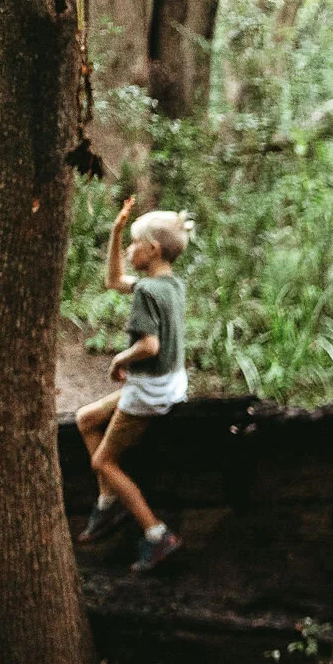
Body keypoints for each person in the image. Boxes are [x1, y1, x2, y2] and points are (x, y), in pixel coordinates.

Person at [75, 198, 193, 572]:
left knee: (103, 460)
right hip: (168, 383)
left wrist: (118, 360)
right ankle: (109, 502)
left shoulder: (147, 292)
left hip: (149, 392)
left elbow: (149, 345)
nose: (129, 249)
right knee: (85, 418)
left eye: (133, 243)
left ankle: (157, 534)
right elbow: (113, 280)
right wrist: (115, 232)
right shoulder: (168, 284)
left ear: (152, 250)